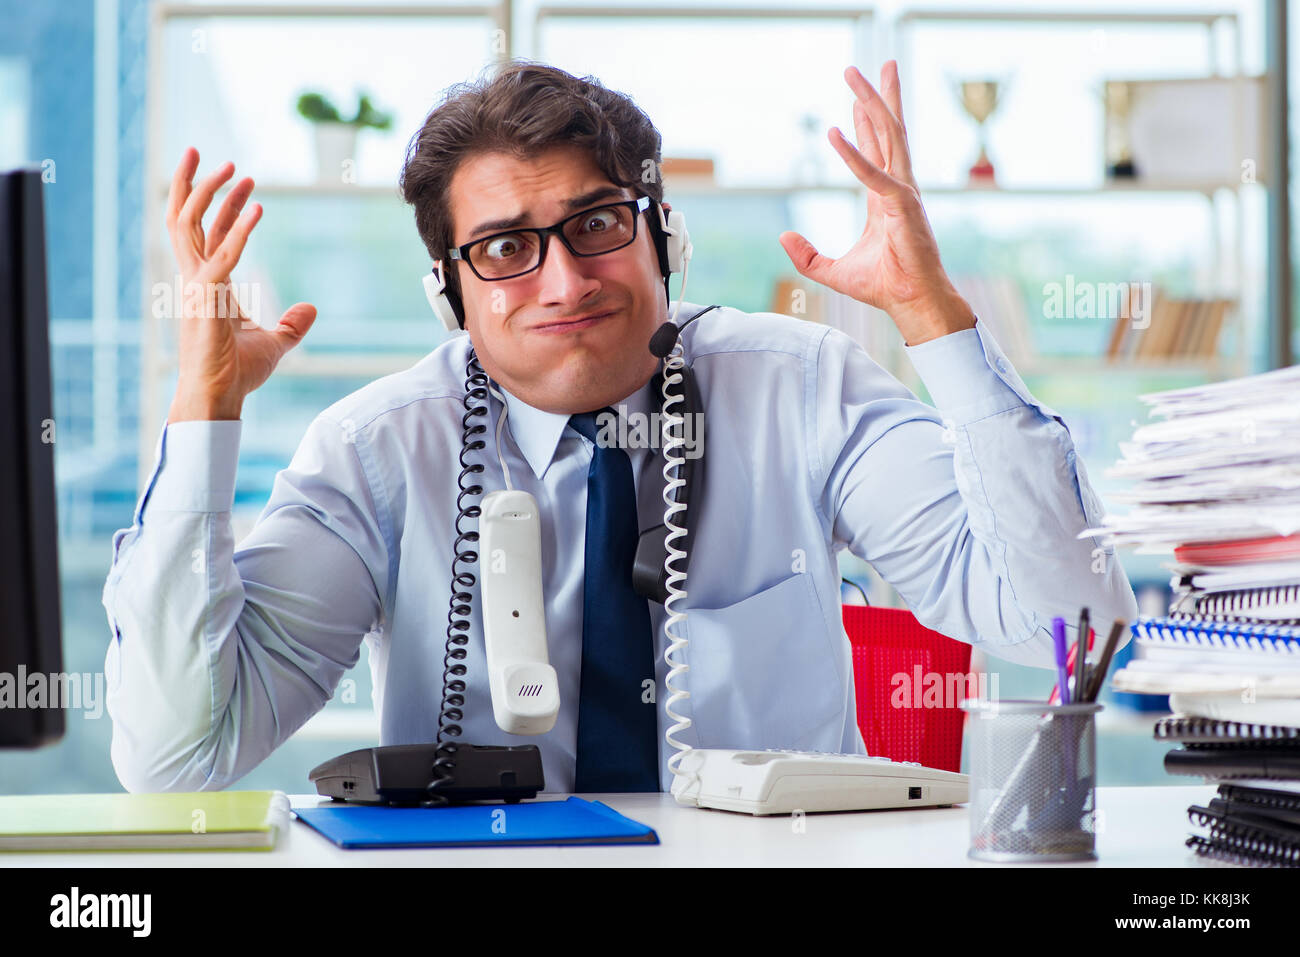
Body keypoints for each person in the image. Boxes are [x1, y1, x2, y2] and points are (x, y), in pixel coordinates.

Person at [103, 60, 1137, 794]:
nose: (564, 280)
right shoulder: (378, 451)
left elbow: (1070, 626)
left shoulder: (802, 387)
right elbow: (175, 756)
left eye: (596, 225)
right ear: (449, 295)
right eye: (506, 247)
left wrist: (933, 320)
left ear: (662, 238)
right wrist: (204, 413)